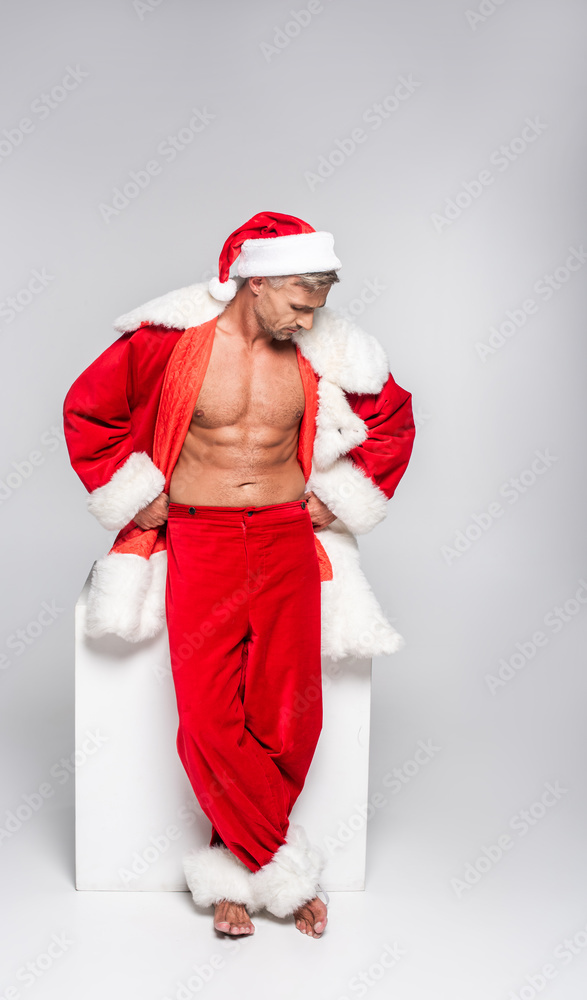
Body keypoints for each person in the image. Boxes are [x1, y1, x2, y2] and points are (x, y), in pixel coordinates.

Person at [63, 211, 415, 939]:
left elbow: (393, 420)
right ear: (257, 283)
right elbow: (88, 411)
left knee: (291, 715)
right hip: (202, 537)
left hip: (287, 538)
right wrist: (137, 491)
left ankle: (236, 870)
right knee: (207, 715)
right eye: (297, 301)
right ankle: (282, 872)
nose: (308, 317)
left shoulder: (331, 348)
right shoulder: (169, 343)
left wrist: (338, 498)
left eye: (318, 304)